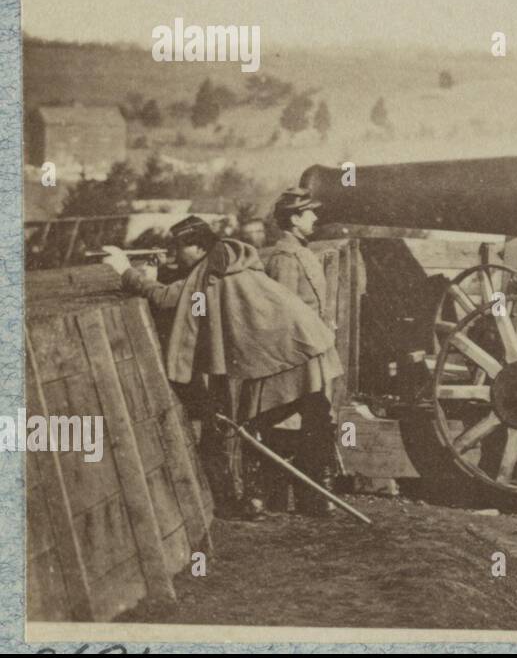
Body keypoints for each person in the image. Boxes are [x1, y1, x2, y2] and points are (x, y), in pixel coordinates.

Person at [103, 215, 341, 520]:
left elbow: (167, 298)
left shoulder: (209, 271)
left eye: (179, 249)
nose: (177, 257)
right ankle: (321, 500)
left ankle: (256, 501)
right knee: (315, 417)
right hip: (304, 343)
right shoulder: (231, 258)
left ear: (198, 246)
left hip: (280, 355)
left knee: (255, 425)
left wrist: (126, 271)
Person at [254, 188, 342, 516]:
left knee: (315, 420)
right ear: (294, 219)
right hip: (295, 357)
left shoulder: (302, 252)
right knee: (294, 421)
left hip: (312, 352)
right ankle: (289, 496)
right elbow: (284, 312)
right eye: (309, 213)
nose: (316, 218)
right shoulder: (284, 258)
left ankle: (313, 498)